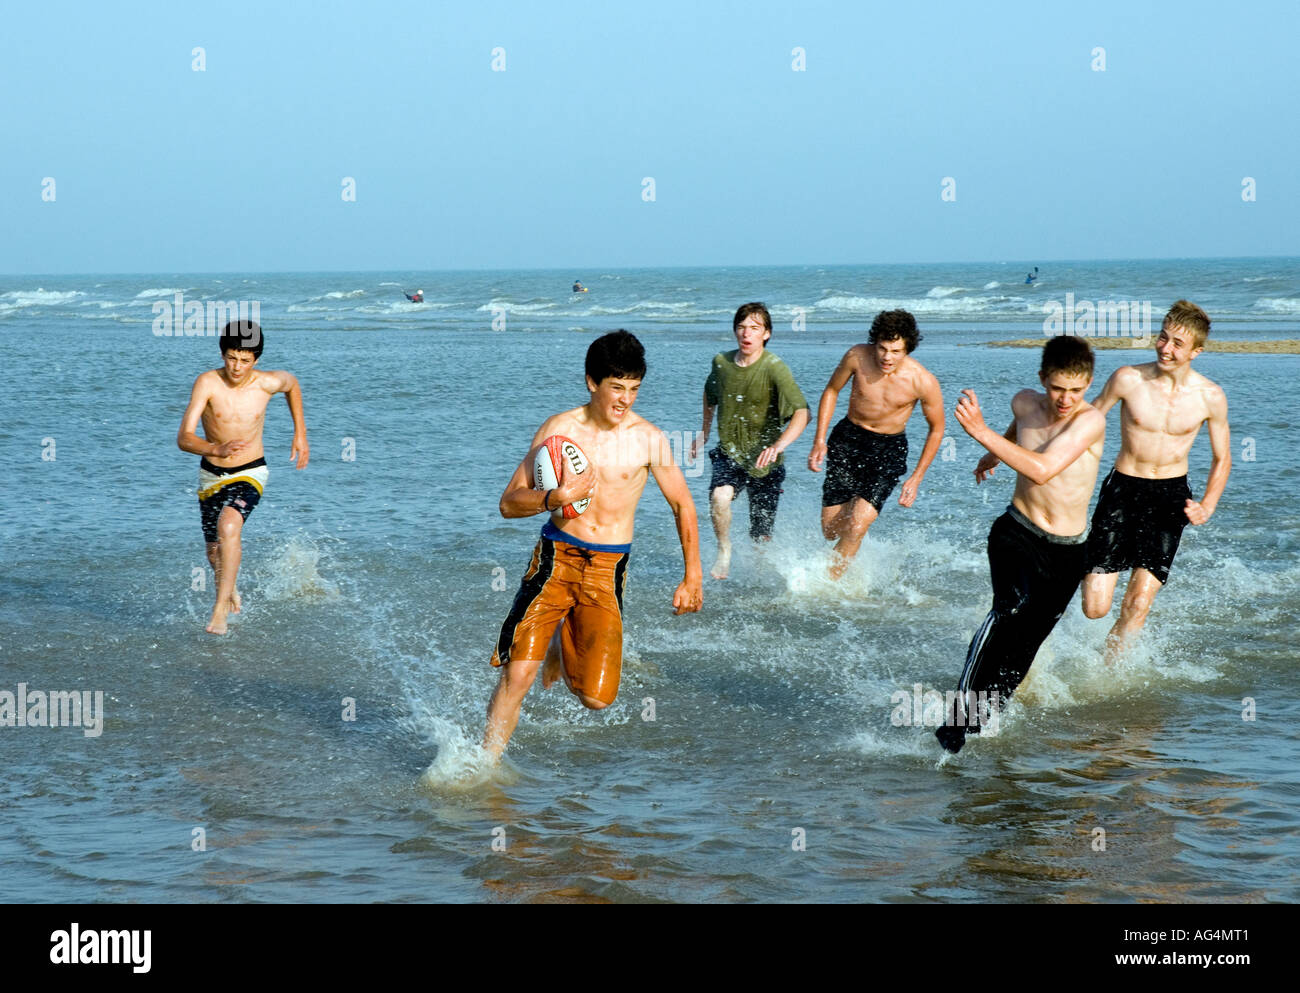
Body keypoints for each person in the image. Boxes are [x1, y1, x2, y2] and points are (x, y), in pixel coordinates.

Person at [483, 330, 703, 761]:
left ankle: (559, 639)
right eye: (616, 388)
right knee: (518, 676)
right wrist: (555, 499)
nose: (625, 400)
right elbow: (509, 504)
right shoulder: (558, 430)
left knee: (596, 700)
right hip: (555, 559)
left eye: (634, 389)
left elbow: (682, 504)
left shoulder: (649, 440)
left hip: (607, 569)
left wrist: (692, 575)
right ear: (592, 382)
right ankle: (483, 768)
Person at [936, 336, 1104, 753]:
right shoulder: (1024, 402)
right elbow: (1020, 435)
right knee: (1007, 611)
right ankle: (956, 722)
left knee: (1025, 643)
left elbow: (1044, 468)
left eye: (1076, 390)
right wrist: (992, 456)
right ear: (1042, 378)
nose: (1066, 399)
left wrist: (979, 433)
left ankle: (985, 718)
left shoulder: (1090, 422)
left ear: (1088, 385)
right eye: (1057, 388)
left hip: (1067, 551)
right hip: (1017, 531)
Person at [1080, 300, 1231, 662]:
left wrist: (1207, 504)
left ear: (1196, 351)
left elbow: (1222, 457)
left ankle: (1109, 674)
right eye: (1163, 337)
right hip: (1121, 491)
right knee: (1095, 608)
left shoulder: (1210, 397)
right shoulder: (1128, 378)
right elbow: (1084, 422)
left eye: (1178, 343)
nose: (1165, 348)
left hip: (1170, 498)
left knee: (1137, 604)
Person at [177, 320, 310, 635]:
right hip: (211, 474)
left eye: (245, 360)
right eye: (232, 358)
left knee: (230, 524)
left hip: (250, 471)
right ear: (223, 354)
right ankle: (229, 586)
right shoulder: (207, 383)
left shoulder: (267, 383)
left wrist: (300, 434)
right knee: (213, 552)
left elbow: (292, 385)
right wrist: (215, 448)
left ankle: (220, 608)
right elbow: (183, 438)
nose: (237, 367)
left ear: (257, 360)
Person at [808, 310, 944, 579]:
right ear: (875, 343)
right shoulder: (857, 357)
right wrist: (819, 440)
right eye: (882, 348)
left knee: (857, 525)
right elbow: (831, 391)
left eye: (895, 351)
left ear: (907, 349)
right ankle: (853, 533)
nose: (886, 357)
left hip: (888, 450)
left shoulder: (922, 381)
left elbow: (937, 429)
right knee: (831, 531)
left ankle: (828, 581)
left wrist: (916, 478)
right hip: (847, 440)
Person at [688, 303, 809, 579]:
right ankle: (724, 550)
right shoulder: (721, 362)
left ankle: (759, 580)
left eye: (754, 328)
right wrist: (704, 432)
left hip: (766, 460)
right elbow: (710, 394)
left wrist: (778, 445)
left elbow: (802, 412)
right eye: (742, 327)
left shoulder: (775, 368)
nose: (747, 334)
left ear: (766, 334)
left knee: (761, 539)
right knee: (720, 497)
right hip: (729, 452)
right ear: (735, 331)